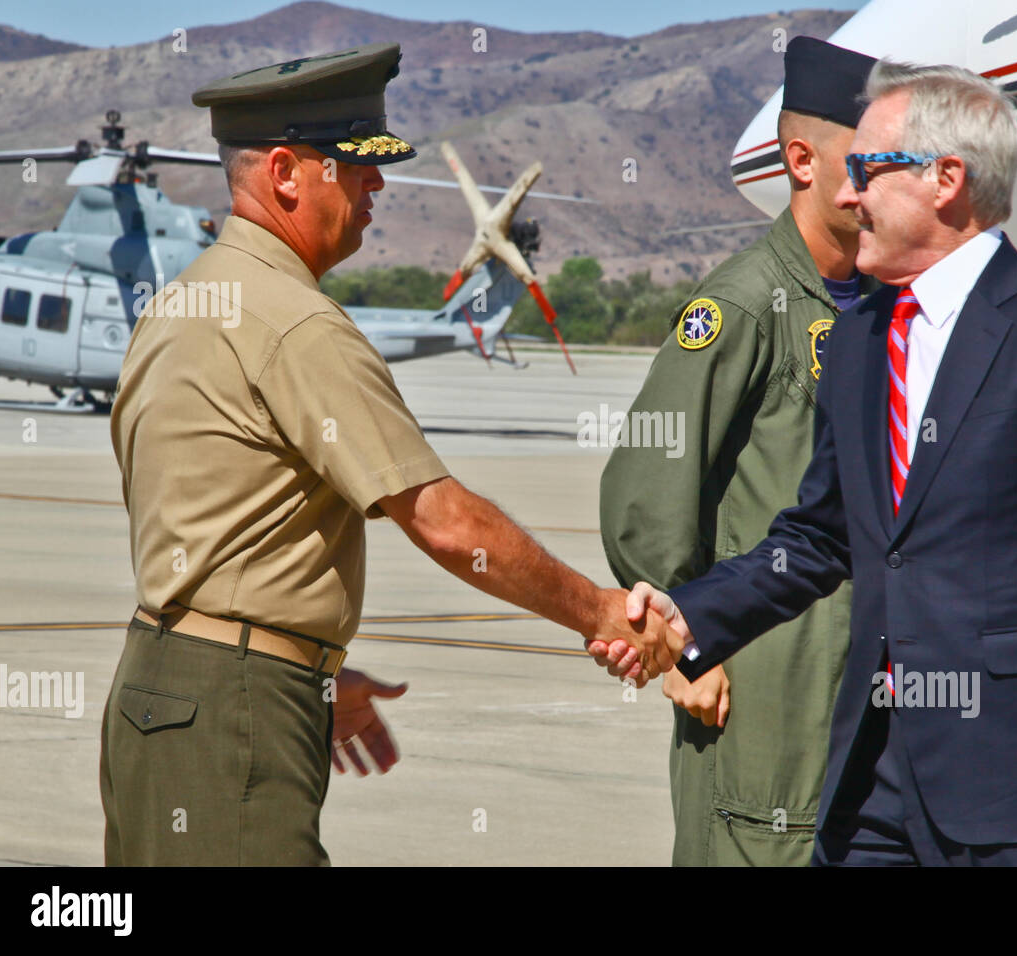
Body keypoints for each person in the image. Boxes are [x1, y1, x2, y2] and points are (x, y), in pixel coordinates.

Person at [613, 60, 1017, 866]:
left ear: (946, 180)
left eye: (865, 170)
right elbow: (821, 533)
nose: (845, 195)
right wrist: (693, 618)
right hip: (874, 780)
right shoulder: (862, 337)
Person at [103, 42, 674, 867]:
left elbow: (215, 526)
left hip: (159, 692)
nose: (378, 185)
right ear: (287, 174)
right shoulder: (296, 324)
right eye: (354, 166)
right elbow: (444, 522)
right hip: (231, 710)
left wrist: (305, 667)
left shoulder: (180, 304)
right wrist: (599, 612)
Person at [594, 37, 877, 866]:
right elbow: (646, 489)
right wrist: (685, 648)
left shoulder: (882, 303)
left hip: (856, 682)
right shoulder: (746, 306)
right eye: (865, 163)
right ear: (801, 160)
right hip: (763, 684)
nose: (882, 185)